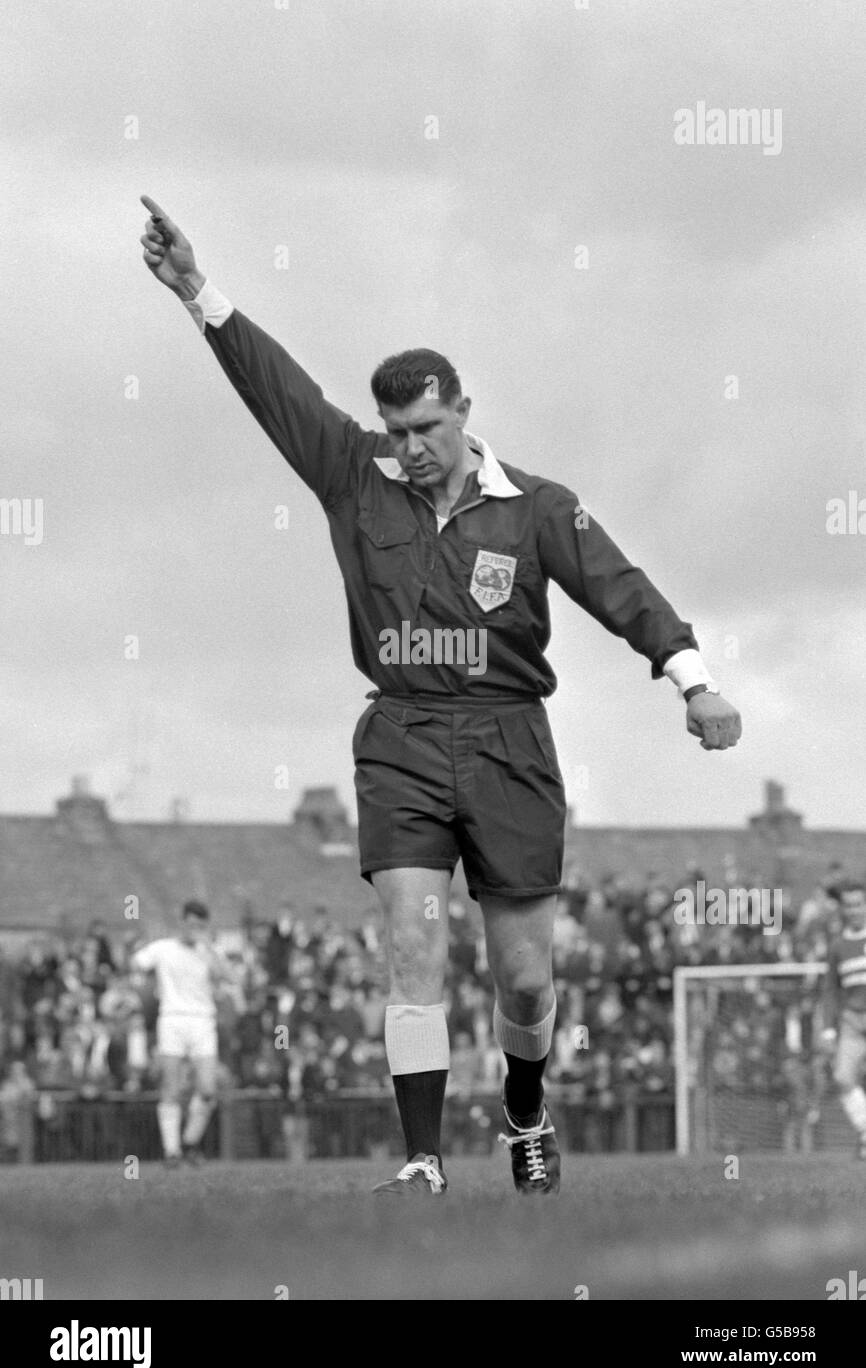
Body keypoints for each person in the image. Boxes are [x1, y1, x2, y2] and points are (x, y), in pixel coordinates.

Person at [139, 195, 742, 1196]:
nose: (410, 446)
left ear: (463, 412)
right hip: (403, 736)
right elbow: (276, 390)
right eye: (395, 430)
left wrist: (694, 680)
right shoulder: (351, 473)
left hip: (510, 741)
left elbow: (623, 591)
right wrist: (199, 292)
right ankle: (420, 1160)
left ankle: (522, 1109)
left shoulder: (538, 508)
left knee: (522, 980)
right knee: (412, 942)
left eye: (425, 427)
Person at [131, 900, 230, 1167]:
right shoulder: (164, 948)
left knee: (208, 1090)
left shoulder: (209, 951)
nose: (194, 929)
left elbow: (227, 976)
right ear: (182, 922)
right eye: (191, 924)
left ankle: (189, 1142)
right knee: (171, 1089)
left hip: (202, 1021)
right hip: (172, 1020)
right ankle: (172, 1151)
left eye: (200, 925)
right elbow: (136, 963)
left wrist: (208, 947)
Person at [821, 880, 866, 1158]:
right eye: (848, 905)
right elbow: (830, 991)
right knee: (842, 1077)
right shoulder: (837, 946)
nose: (853, 910)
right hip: (852, 1021)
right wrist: (828, 1031)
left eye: (858, 904)